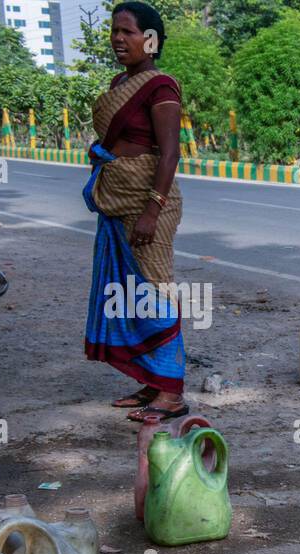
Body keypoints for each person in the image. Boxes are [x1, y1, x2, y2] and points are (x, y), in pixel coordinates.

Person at [83, 2, 188, 422]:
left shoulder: (160, 87)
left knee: (156, 292)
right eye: (114, 31)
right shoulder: (118, 83)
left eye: (127, 31)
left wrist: (151, 210)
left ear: (150, 39)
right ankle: (151, 381)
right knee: (128, 293)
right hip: (117, 199)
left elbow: (169, 154)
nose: (117, 39)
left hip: (150, 204)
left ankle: (172, 392)